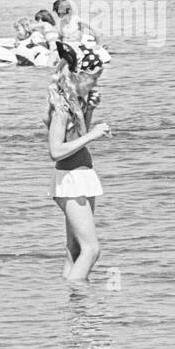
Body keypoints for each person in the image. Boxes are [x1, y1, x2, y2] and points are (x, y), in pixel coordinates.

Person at [46, 43, 111, 282]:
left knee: (74, 250)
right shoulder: (61, 109)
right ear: (78, 76)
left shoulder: (74, 104)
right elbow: (55, 150)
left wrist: (90, 110)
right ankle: (82, 301)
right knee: (91, 250)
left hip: (81, 178)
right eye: (93, 79)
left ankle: (72, 310)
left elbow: (77, 138)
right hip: (71, 180)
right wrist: (93, 134)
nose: (95, 84)